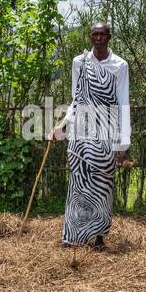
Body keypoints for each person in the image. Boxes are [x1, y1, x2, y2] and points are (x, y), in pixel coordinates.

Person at [49, 22, 131, 248]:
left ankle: (98, 237)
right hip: (81, 130)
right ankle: (72, 237)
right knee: (78, 183)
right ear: (90, 37)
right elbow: (77, 98)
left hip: (107, 129)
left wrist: (123, 144)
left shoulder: (120, 65)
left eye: (102, 34)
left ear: (109, 37)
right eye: (94, 34)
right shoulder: (80, 62)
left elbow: (123, 102)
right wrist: (63, 125)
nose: (98, 38)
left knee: (103, 184)